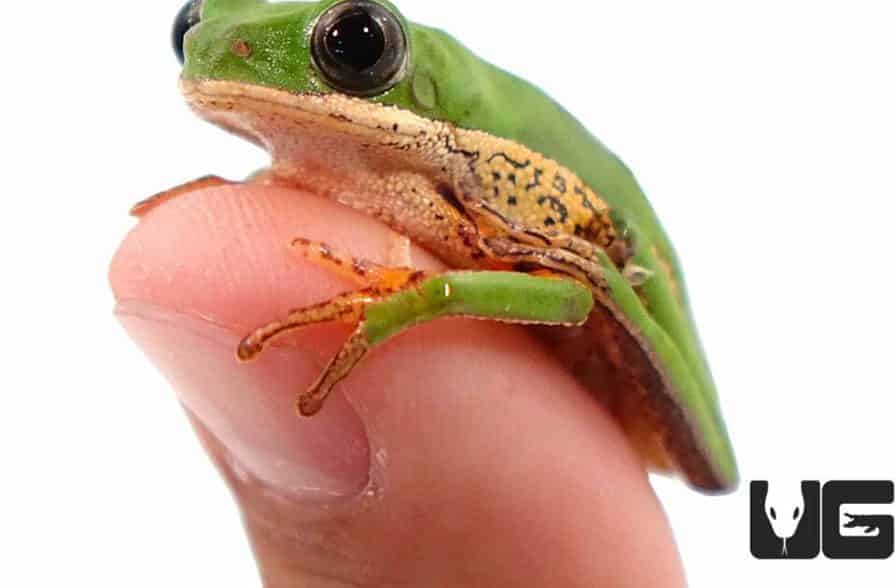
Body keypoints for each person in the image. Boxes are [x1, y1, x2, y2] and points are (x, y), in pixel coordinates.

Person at [111, 181, 685, 587]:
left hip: (624, 322)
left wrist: (421, 297)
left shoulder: (453, 184)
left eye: (355, 46)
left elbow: (573, 297)